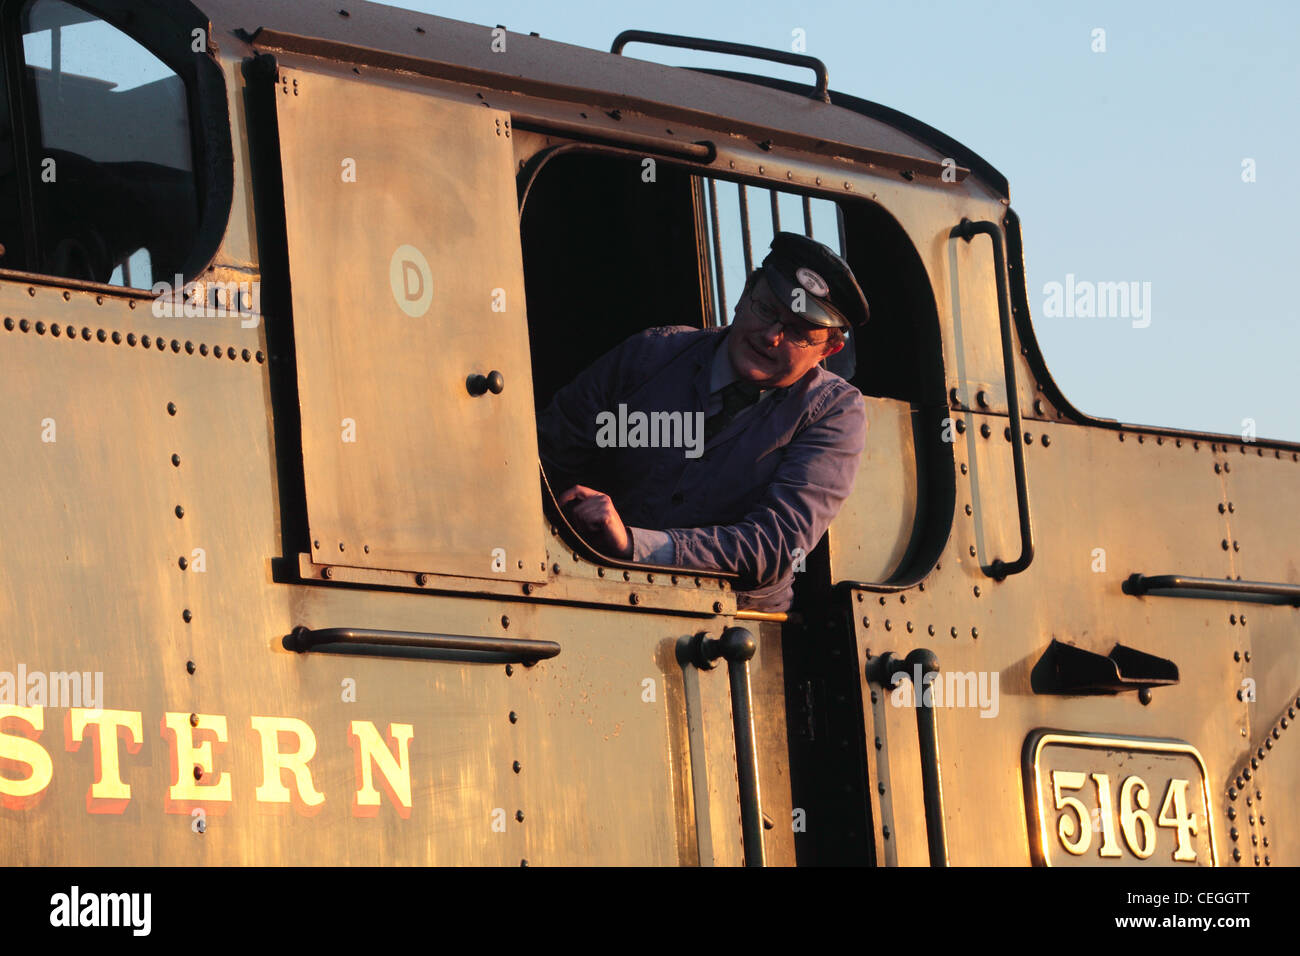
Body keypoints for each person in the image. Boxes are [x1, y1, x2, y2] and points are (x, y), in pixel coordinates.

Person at [537, 232, 869, 611]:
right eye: (765, 310)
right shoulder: (649, 355)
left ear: (830, 349)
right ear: (744, 294)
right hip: (592, 592)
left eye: (797, 332)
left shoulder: (834, 412)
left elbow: (776, 546)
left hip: (733, 636)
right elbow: (548, 451)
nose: (771, 337)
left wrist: (635, 544)